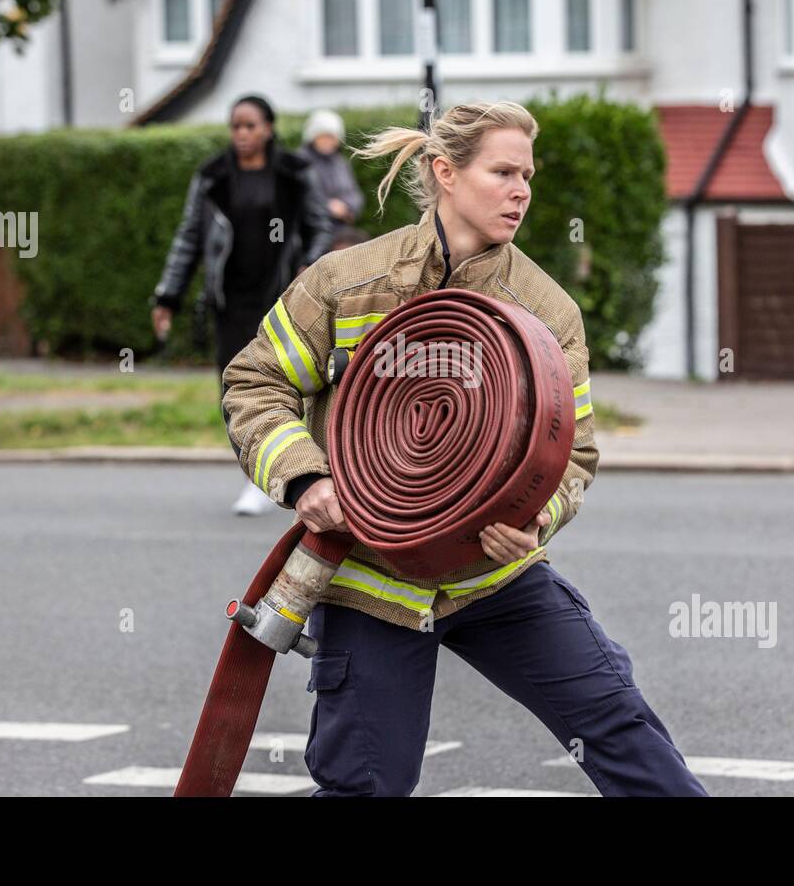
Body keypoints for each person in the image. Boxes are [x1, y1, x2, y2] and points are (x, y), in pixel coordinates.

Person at [219, 101, 708, 797]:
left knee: (616, 723)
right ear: (446, 172)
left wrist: (537, 518)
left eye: (528, 175)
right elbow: (255, 382)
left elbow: (576, 452)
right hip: (371, 584)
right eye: (503, 171)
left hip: (493, 578)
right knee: (366, 785)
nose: (521, 190)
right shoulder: (345, 283)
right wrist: (305, 481)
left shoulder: (546, 310)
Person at [150, 94, 333, 516]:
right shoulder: (213, 176)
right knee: (237, 390)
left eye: (251, 125)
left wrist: (310, 266)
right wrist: (168, 296)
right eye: (236, 126)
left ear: (268, 128)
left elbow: (321, 225)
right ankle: (255, 477)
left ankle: (301, 471)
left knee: (296, 388)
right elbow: (189, 238)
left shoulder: (294, 172)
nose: (242, 134)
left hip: (284, 301)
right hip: (231, 302)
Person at [297, 108, 369, 255]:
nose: (328, 141)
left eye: (332, 137)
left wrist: (347, 207)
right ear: (313, 136)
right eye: (324, 136)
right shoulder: (301, 161)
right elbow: (298, 197)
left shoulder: (340, 163)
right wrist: (327, 206)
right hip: (313, 230)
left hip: (341, 228)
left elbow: (355, 194)